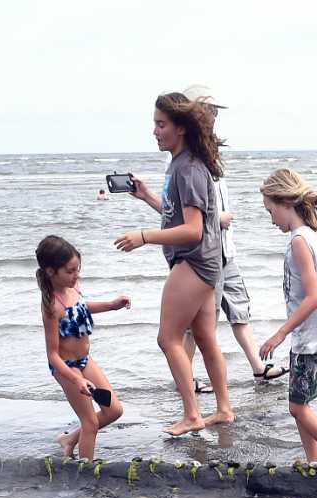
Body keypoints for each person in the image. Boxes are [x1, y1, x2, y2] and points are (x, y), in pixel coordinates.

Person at [114, 92, 232, 436]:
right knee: (205, 338)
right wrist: (148, 197)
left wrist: (143, 236)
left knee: (168, 339)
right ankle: (224, 409)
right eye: (154, 124)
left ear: (181, 128)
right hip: (205, 262)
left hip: (194, 261)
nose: (155, 131)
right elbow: (177, 218)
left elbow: (193, 231)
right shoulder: (183, 164)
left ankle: (192, 414)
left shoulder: (188, 168)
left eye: (161, 124)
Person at [174, 85, 282, 386]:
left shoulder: (208, 152)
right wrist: (215, 217)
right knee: (200, 322)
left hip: (225, 250)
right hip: (203, 254)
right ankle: (186, 379)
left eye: (214, 112)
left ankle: (258, 368)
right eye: (209, 111)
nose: (213, 117)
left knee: (239, 308)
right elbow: (178, 210)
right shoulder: (185, 158)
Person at [258, 169, 317, 466]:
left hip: (307, 339)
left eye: (270, 211)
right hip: (315, 336)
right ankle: (313, 461)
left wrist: (279, 334)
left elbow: (314, 296)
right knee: (301, 404)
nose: (271, 219)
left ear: (284, 202)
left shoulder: (299, 241)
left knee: (297, 408)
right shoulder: (313, 237)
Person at [35, 235, 129, 461]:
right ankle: (86, 472)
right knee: (90, 423)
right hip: (67, 368)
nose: (76, 275)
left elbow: (81, 307)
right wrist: (76, 379)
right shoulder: (52, 306)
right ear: (51, 272)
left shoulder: (73, 287)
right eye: (70, 271)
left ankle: (69, 440)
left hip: (85, 361)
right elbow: (53, 355)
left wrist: (111, 305)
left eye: (77, 269)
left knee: (114, 410)